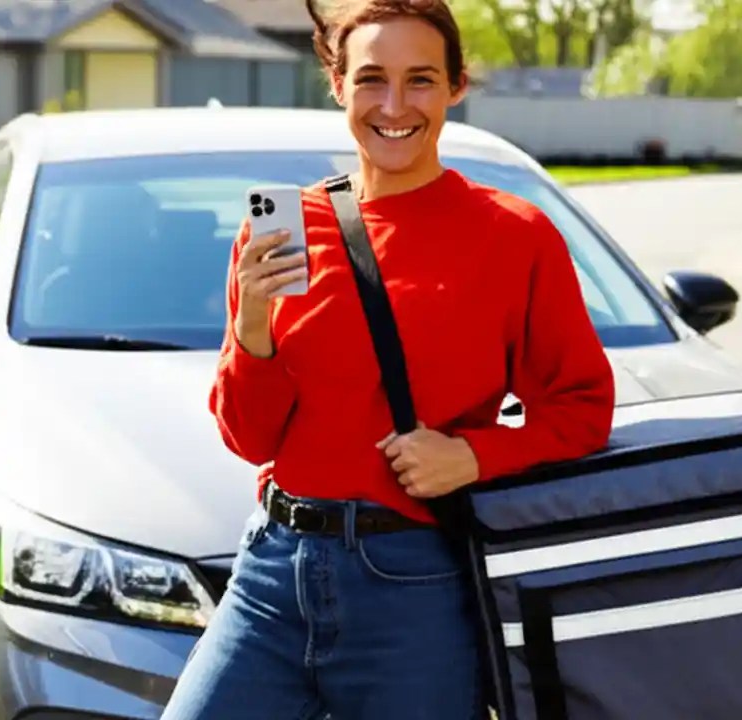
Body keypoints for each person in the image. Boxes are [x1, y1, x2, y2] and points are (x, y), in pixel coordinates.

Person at [160, 1, 616, 718]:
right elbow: (250, 438)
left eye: (421, 80)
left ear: (457, 86)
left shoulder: (514, 237)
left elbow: (583, 409)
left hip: (416, 585)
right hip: (273, 572)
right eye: (372, 79)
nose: (395, 106)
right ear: (337, 85)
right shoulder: (282, 228)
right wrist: (252, 321)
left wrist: (471, 454)